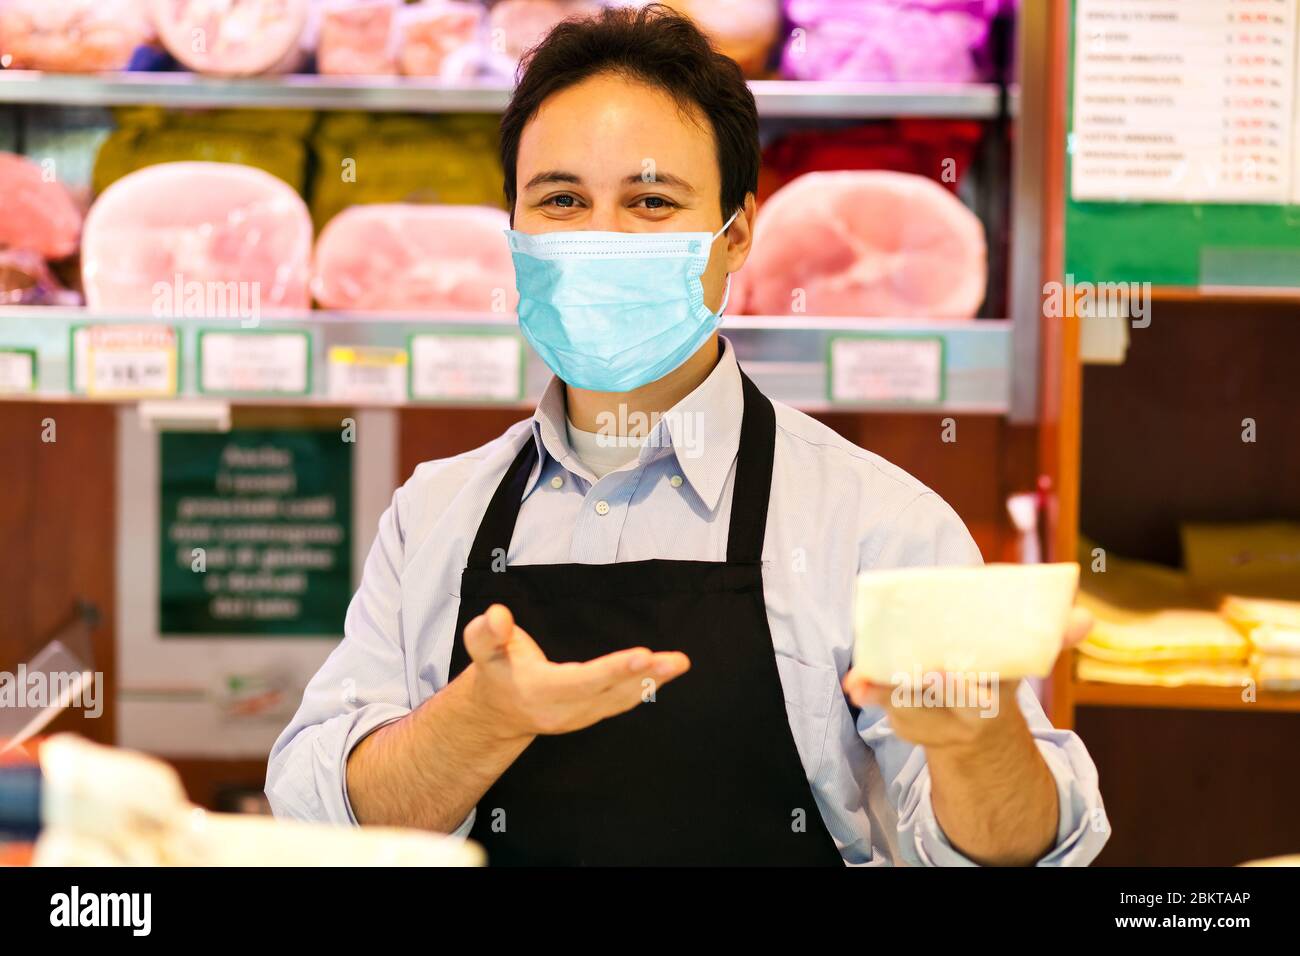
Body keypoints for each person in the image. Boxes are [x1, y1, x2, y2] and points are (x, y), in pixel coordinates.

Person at [267, 4, 1109, 866]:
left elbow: (1027, 854)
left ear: (735, 235)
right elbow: (321, 824)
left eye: (651, 202)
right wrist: (478, 721)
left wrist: (980, 743)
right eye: (562, 200)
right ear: (513, 228)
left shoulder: (879, 526)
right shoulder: (433, 515)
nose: (601, 237)